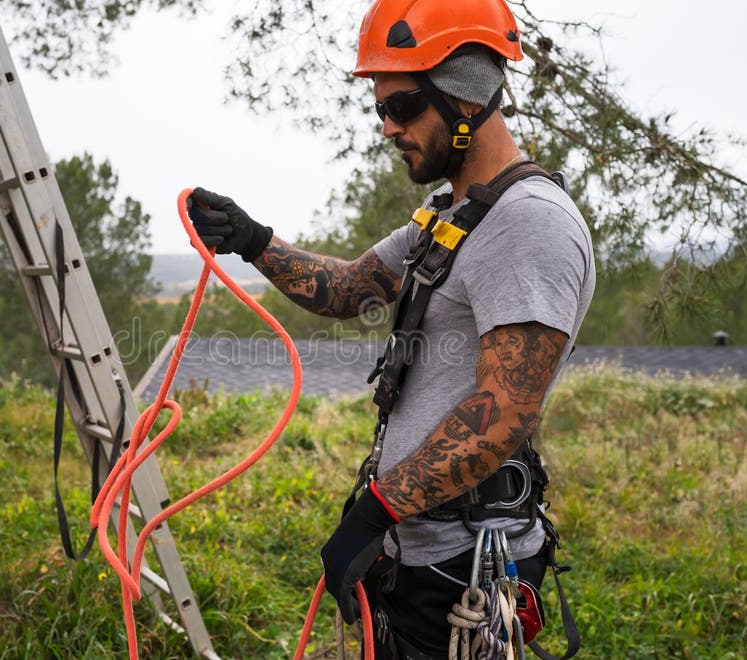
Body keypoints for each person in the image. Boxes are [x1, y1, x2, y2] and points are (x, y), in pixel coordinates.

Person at [187, 0, 594, 657]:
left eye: (402, 106)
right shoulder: (456, 212)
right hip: (420, 547)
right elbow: (350, 288)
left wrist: (373, 515)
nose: (386, 127)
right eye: (379, 109)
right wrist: (252, 238)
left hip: (462, 570)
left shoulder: (528, 223)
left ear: (466, 99)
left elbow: (503, 413)